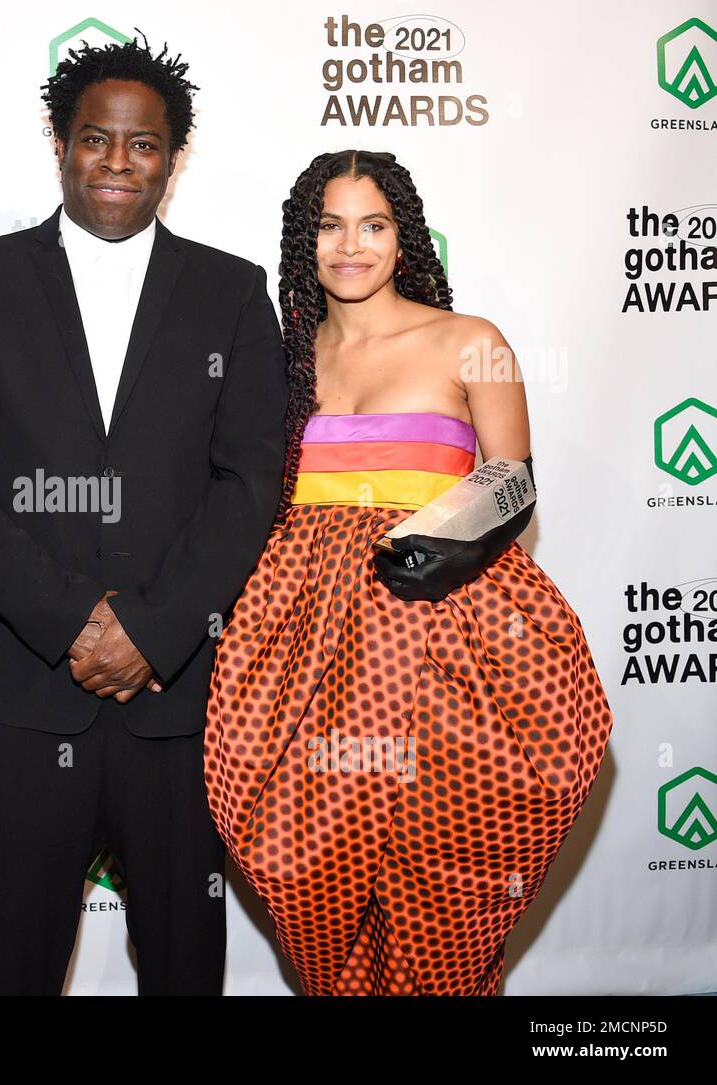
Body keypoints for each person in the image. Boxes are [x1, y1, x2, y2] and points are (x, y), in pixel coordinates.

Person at [0, 36, 287, 994]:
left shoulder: (233, 290)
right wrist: (75, 620)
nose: (118, 162)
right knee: (5, 968)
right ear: (62, 144)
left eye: (143, 145)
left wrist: (152, 631)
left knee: (185, 971)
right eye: (95, 140)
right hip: (17, 703)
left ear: (174, 156)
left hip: (178, 707)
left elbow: (249, 484)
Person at [205, 149, 613, 996]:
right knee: (308, 870)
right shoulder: (282, 356)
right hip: (306, 654)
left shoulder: (470, 341)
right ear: (303, 238)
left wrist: (429, 546)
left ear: (404, 237)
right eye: (329, 224)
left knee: (443, 883)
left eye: (374, 224)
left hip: (445, 645)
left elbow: (512, 482)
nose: (350, 245)